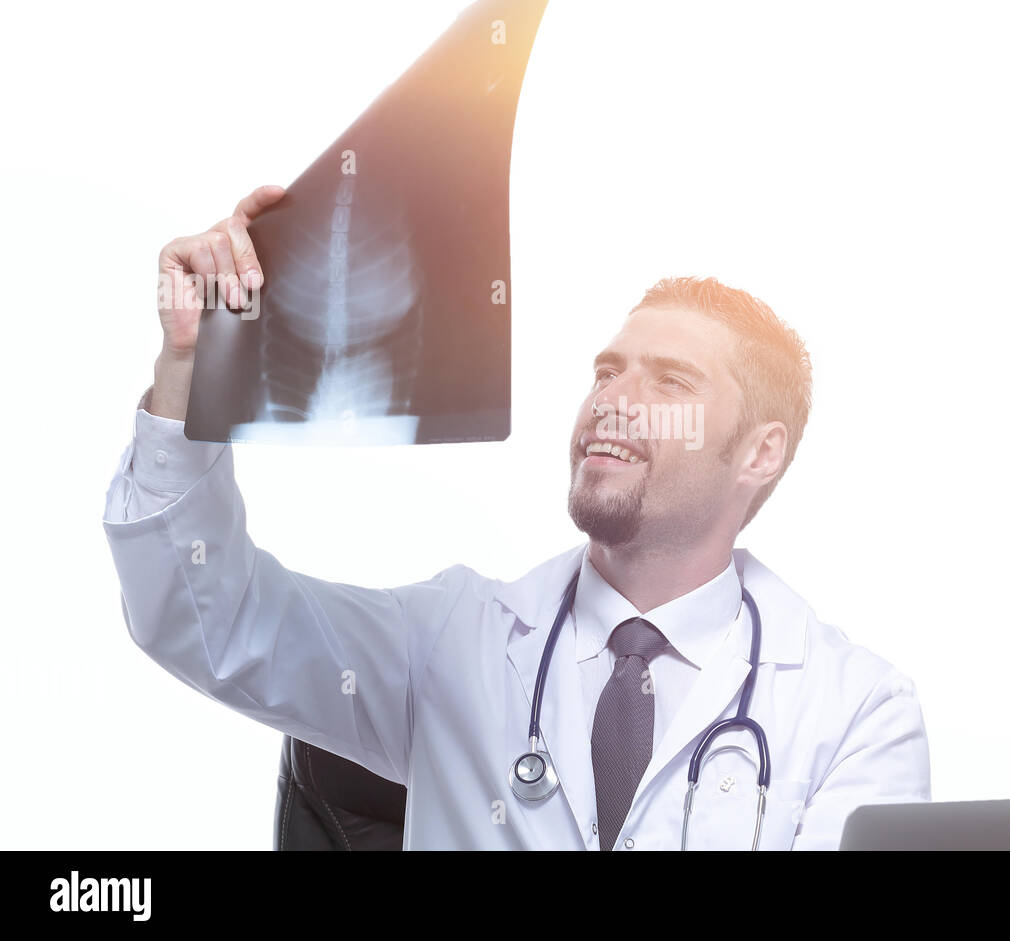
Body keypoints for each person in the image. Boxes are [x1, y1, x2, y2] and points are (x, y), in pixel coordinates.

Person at [103, 186, 931, 850]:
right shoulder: (450, 643)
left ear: (761, 453)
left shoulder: (854, 709)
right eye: (607, 372)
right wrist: (188, 365)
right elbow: (203, 617)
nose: (612, 400)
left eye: (669, 382)